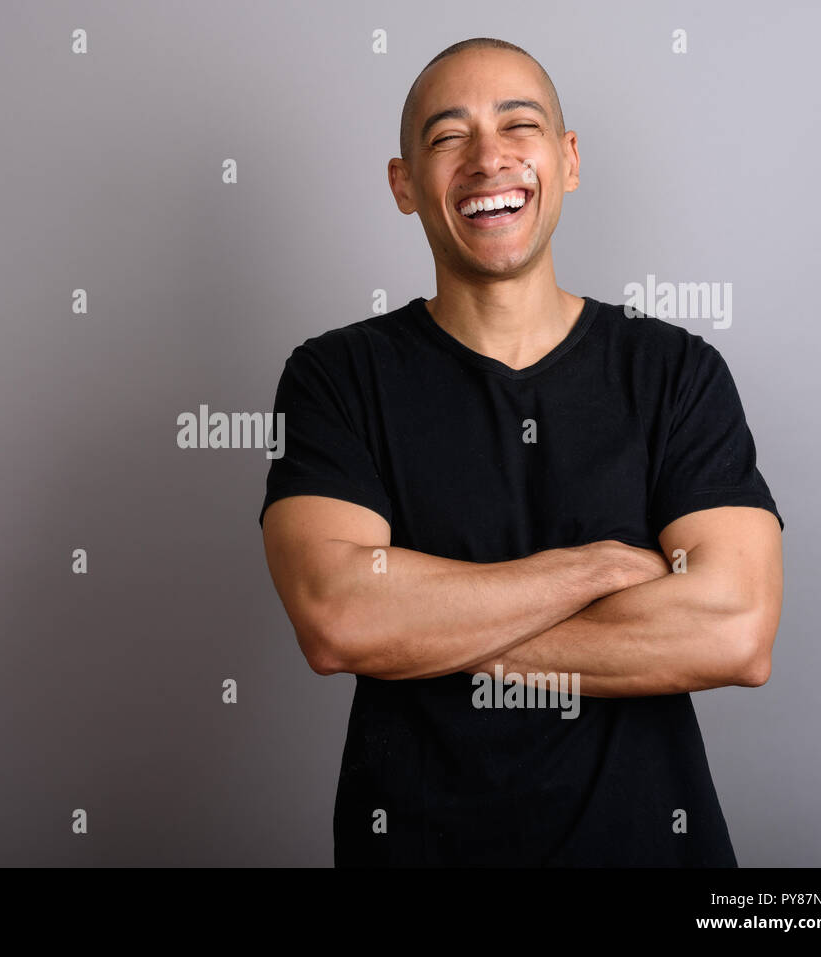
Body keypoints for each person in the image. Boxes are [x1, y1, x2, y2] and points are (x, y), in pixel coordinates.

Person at [257, 37, 784, 866]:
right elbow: (338, 616)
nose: (488, 158)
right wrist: (604, 567)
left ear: (567, 160)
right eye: (446, 137)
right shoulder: (336, 377)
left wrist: (426, 628)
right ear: (403, 184)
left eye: (518, 125)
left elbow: (735, 630)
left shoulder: (674, 371)